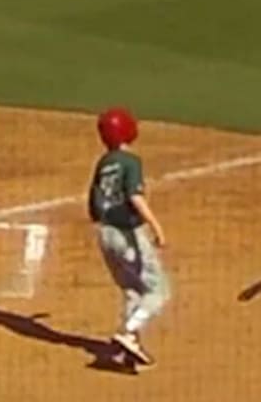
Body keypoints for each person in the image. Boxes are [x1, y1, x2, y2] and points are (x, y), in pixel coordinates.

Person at [89, 106, 169, 371]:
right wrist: (156, 227)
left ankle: (129, 350)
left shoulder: (103, 163)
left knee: (132, 289)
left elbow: (93, 207)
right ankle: (128, 331)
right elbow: (135, 197)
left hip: (105, 234)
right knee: (158, 291)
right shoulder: (130, 161)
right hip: (127, 234)